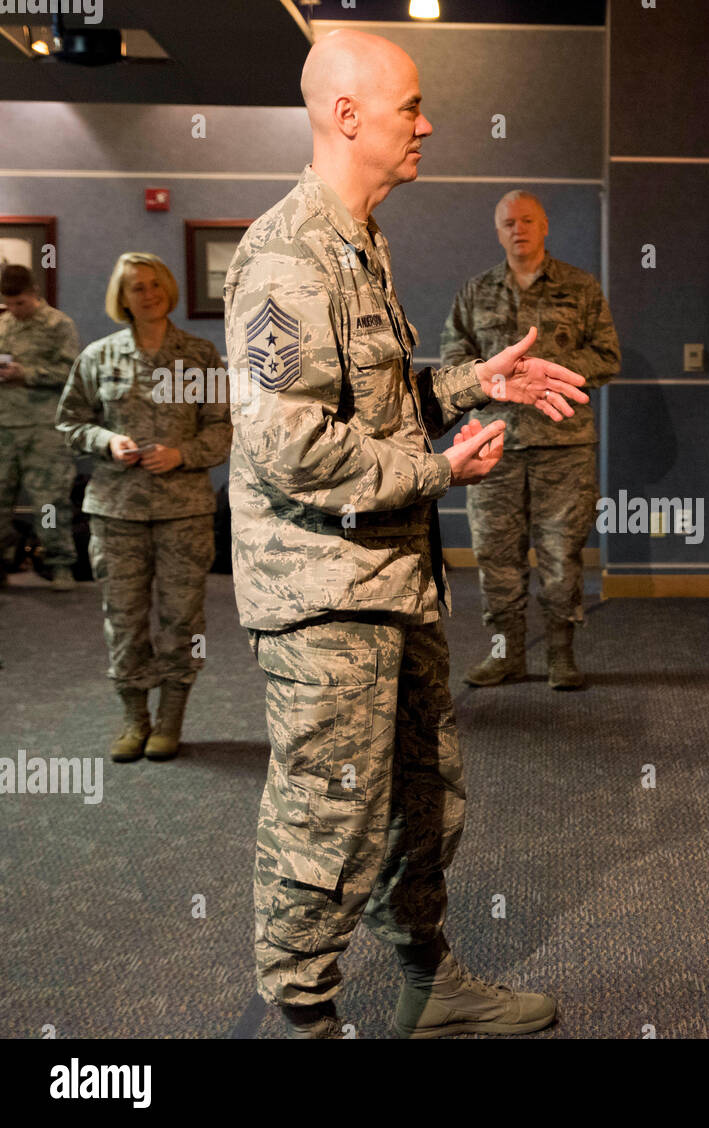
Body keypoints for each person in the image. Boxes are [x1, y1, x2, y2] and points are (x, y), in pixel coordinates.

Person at [224, 29, 589, 1039]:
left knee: (426, 797)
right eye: (412, 108)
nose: (427, 123)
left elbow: (374, 403)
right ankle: (295, 1018)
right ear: (347, 117)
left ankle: (427, 983)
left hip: (391, 580)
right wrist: (439, 470)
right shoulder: (286, 255)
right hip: (325, 592)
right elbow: (290, 442)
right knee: (327, 817)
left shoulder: (359, 240)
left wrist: (479, 382)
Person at [441, 191, 619, 690]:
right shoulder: (474, 292)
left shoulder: (581, 288)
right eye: (507, 223)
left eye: (526, 220)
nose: (517, 229)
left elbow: (607, 357)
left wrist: (547, 375)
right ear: (498, 231)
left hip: (564, 447)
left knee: (562, 557)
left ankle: (562, 656)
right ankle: (506, 655)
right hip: (493, 444)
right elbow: (455, 360)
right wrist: (499, 379)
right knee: (497, 557)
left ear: (544, 227)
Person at [56, 253, 231, 763]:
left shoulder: (198, 356)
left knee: (181, 620)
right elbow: (70, 423)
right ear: (122, 296)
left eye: (155, 284)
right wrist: (107, 442)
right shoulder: (97, 357)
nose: (147, 293)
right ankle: (135, 719)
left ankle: (171, 720)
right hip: (116, 510)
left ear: (169, 289)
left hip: (184, 511)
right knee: (124, 619)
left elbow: (222, 429)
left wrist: (182, 454)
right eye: (136, 287)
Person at [0, 264, 80, 590]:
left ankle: (60, 563)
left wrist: (27, 373)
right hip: (5, 425)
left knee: (49, 499)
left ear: (34, 293)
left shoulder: (59, 325)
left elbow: (71, 372)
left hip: (44, 427)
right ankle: (3, 561)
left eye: (20, 303)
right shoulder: (2, 325)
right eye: (8, 303)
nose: (15, 311)